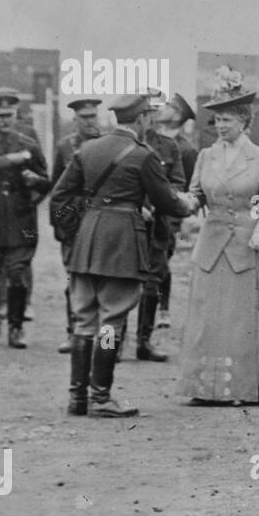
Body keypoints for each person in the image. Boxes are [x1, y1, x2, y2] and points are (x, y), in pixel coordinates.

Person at [50, 95, 197, 417]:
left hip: (86, 241)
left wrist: (72, 234)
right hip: (121, 243)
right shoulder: (143, 156)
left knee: (84, 320)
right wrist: (189, 205)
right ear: (142, 119)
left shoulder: (87, 149)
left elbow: (59, 197)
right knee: (111, 322)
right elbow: (169, 203)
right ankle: (101, 398)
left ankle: (77, 398)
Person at [176, 76, 259, 405]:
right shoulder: (206, 156)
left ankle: (243, 390)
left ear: (244, 122)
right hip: (211, 247)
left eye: (228, 120)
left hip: (249, 249)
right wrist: (177, 203)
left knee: (241, 322)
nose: (220, 126)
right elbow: (195, 196)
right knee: (207, 320)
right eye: (218, 120)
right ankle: (203, 390)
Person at [0, 87, 51, 348]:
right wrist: (11, 159)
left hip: (19, 216)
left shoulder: (29, 143)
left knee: (17, 272)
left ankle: (16, 329)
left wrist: (32, 184)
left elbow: (45, 180)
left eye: (9, 114)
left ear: (16, 114)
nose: (4, 120)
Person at [123, 90, 188, 362]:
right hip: (125, 228)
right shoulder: (120, 145)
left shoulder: (169, 147)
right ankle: (110, 346)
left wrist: (163, 213)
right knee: (118, 289)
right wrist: (137, 205)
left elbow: (177, 185)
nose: (151, 118)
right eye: (147, 113)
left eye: (154, 112)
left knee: (151, 286)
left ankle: (144, 342)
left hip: (157, 230)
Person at [51, 97, 103, 353]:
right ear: (75, 119)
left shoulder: (107, 144)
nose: (91, 121)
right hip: (74, 221)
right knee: (74, 281)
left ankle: (103, 340)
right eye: (85, 117)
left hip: (101, 219)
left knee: (105, 281)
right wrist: (63, 228)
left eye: (94, 116)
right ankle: (74, 334)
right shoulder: (64, 147)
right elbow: (56, 192)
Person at [151, 93, 198, 329]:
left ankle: (163, 308)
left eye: (169, 106)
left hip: (170, 215)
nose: (164, 108)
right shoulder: (151, 140)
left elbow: (188, 188)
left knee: (161, 261)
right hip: (148, 211)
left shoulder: (187, 150)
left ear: (178, 115)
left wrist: (182, 218)